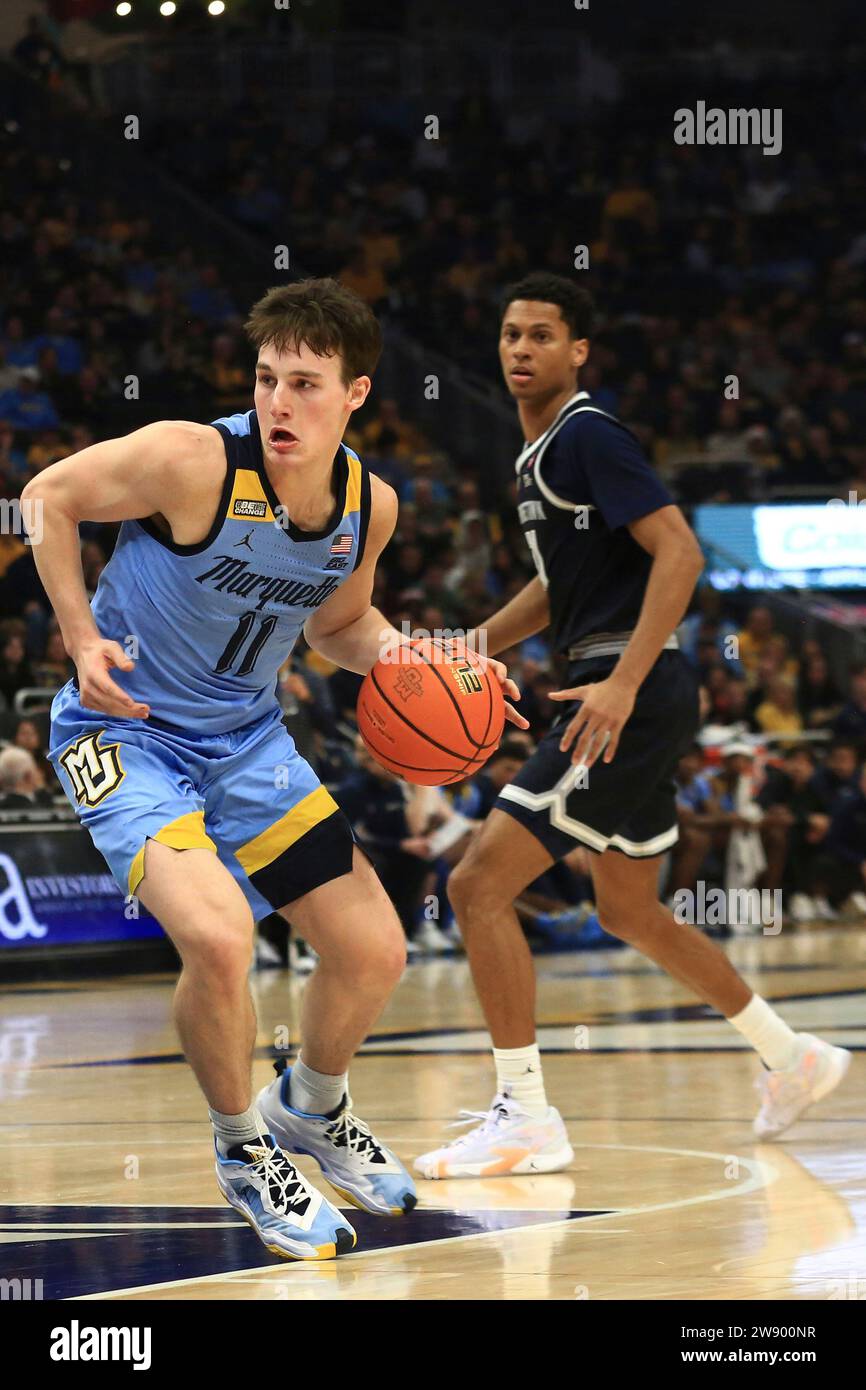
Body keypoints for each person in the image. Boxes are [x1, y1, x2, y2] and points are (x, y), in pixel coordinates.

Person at [23, 278, 519, 1260]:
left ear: (356, 395)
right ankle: (245, 1144)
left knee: (375, 949)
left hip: (247, 741)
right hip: (124, 731)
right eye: (265, 379)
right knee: (216, 936)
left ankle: (311, 1108)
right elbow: (44, 499)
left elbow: (339, 627)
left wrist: (431, 663)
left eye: (304, 383)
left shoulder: (365, 507)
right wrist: (79, 636)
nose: (278, 403)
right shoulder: (190, 458)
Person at [415, 272, 851, 1181]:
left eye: (542, 335)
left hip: (622, 696)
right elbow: (554, 591)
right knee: (628, 907)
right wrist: (465, 648)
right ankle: (791, 1055)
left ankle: (526, 1115)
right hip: (623, 689)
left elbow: (682, 551)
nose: (521, 349)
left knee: (476, 887)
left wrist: (621, 680)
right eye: (509, 334)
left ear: (579, 351)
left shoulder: (589, 435)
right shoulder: (534, 459)